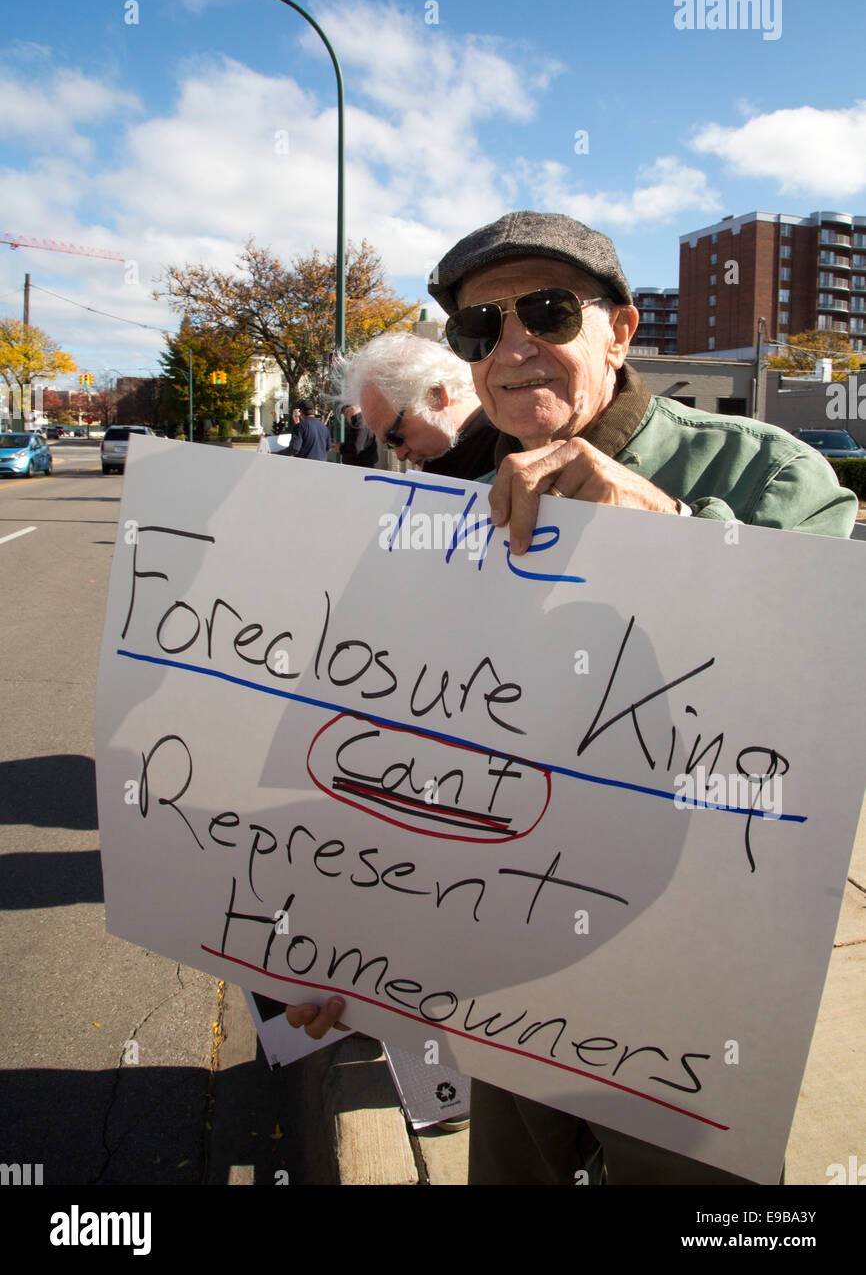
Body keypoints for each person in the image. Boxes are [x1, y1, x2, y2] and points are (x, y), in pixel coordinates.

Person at [286, 211, 857, 1183]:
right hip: (500, 973)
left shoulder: (762, 472)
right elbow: (390, 746)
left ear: (620, 330)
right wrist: (344, 938)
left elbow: (817, 693)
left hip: (683, 996)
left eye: (546, 312)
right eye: (478, 329)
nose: (510, 348)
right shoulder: (431, 514)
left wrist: (663, 533)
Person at [336, 332, 498, 479]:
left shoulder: (512, 448)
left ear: (435, 395)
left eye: (396, 438)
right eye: (390, 444)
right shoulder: (445, 458)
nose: (400, 455)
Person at [337, 402, 379, 467]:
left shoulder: (358, 422)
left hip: (359, 465)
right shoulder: (364, 420)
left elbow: (356, 447)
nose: (345, 417)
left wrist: (340, 448)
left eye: (345, 413)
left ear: (352, 410)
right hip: (362, 463)